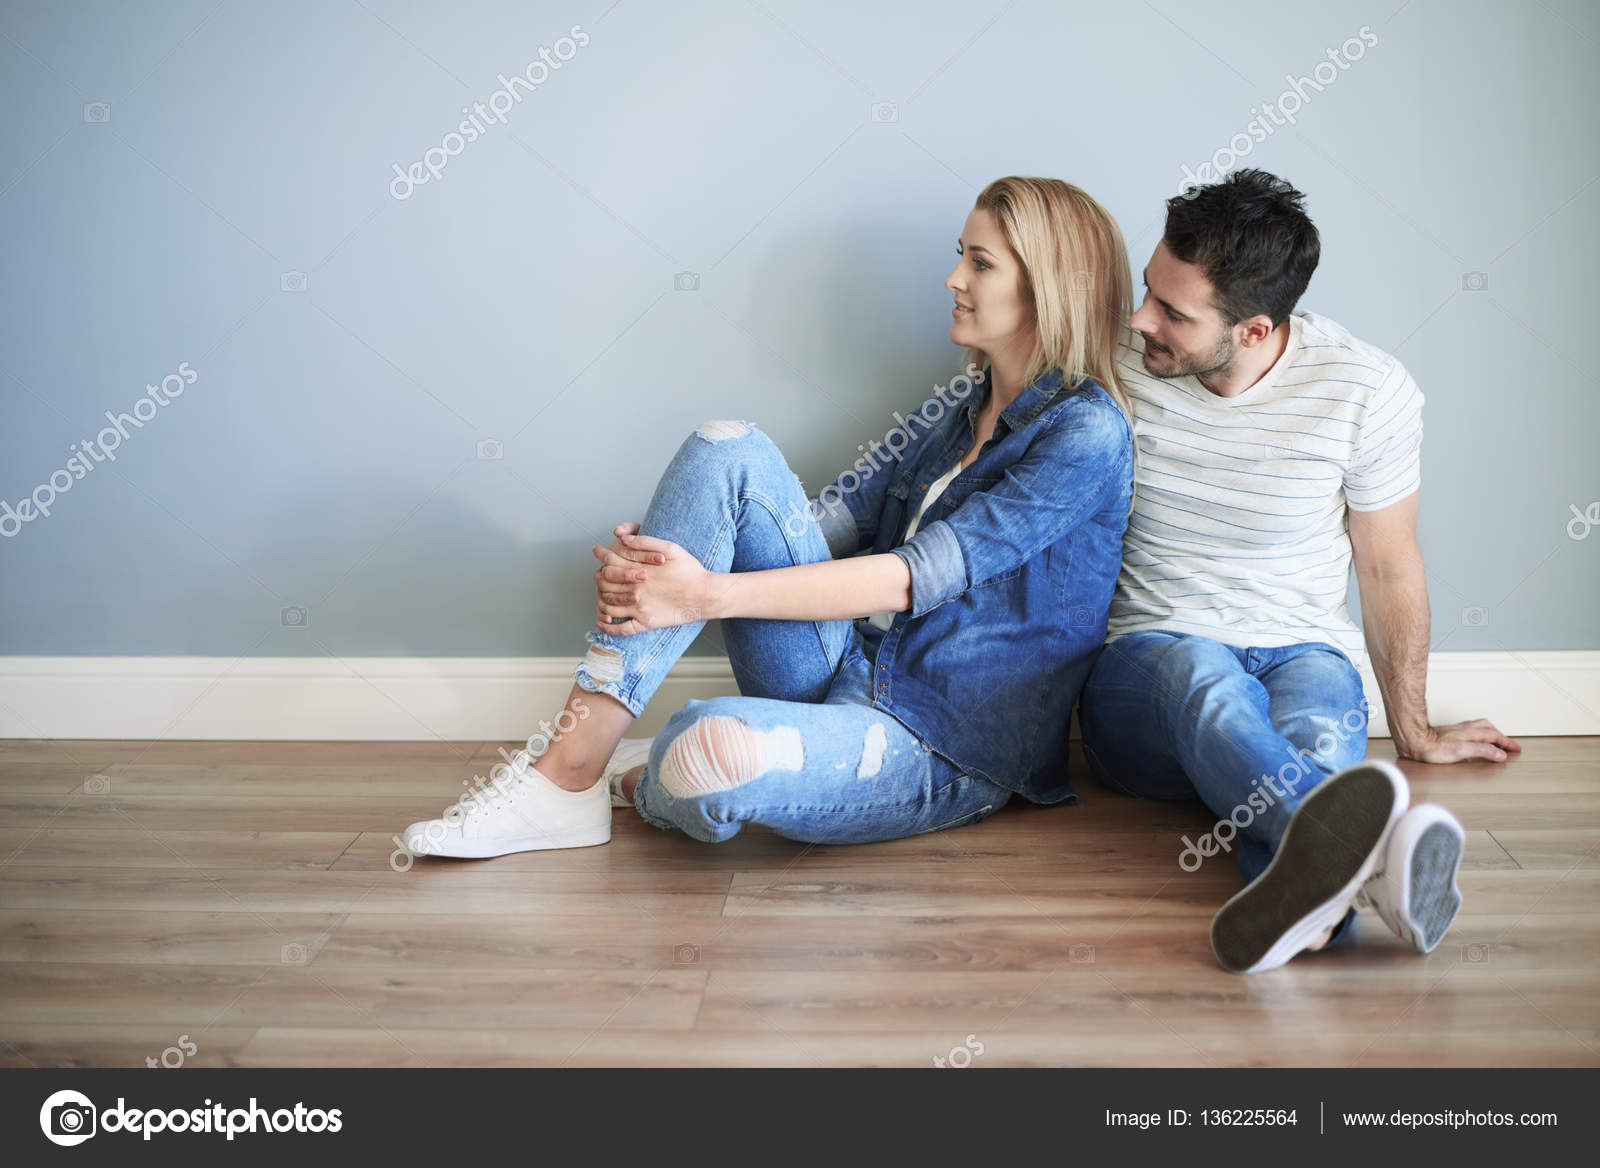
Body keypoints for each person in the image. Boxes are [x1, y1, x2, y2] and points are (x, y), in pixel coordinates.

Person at [398, 176, 1137, 859]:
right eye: (960, 257)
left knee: (706, 748)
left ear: (1046, 289)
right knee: (727, 449)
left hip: (944, 739)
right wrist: (671, 562)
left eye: (980, 263)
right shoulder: (960, 407)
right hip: (844, 664)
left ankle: (638, 780)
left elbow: (916, 578)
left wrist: (705, 594)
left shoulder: (1086, 434)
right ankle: (566, 774)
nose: (952, 279)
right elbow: (828, 521)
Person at [1078, 169, 1521, 974]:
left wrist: (1412, 731)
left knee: (1315, 735)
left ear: (1252, 330)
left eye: (1173, 312)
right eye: (1148, 289)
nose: (1140, 318)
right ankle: (1379, 854)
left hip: (1302, 652)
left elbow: (1389, 567)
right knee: (1197, 670)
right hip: (1145, 672)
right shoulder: (1114, 363)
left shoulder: (1365, 389)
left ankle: (1317, 916)